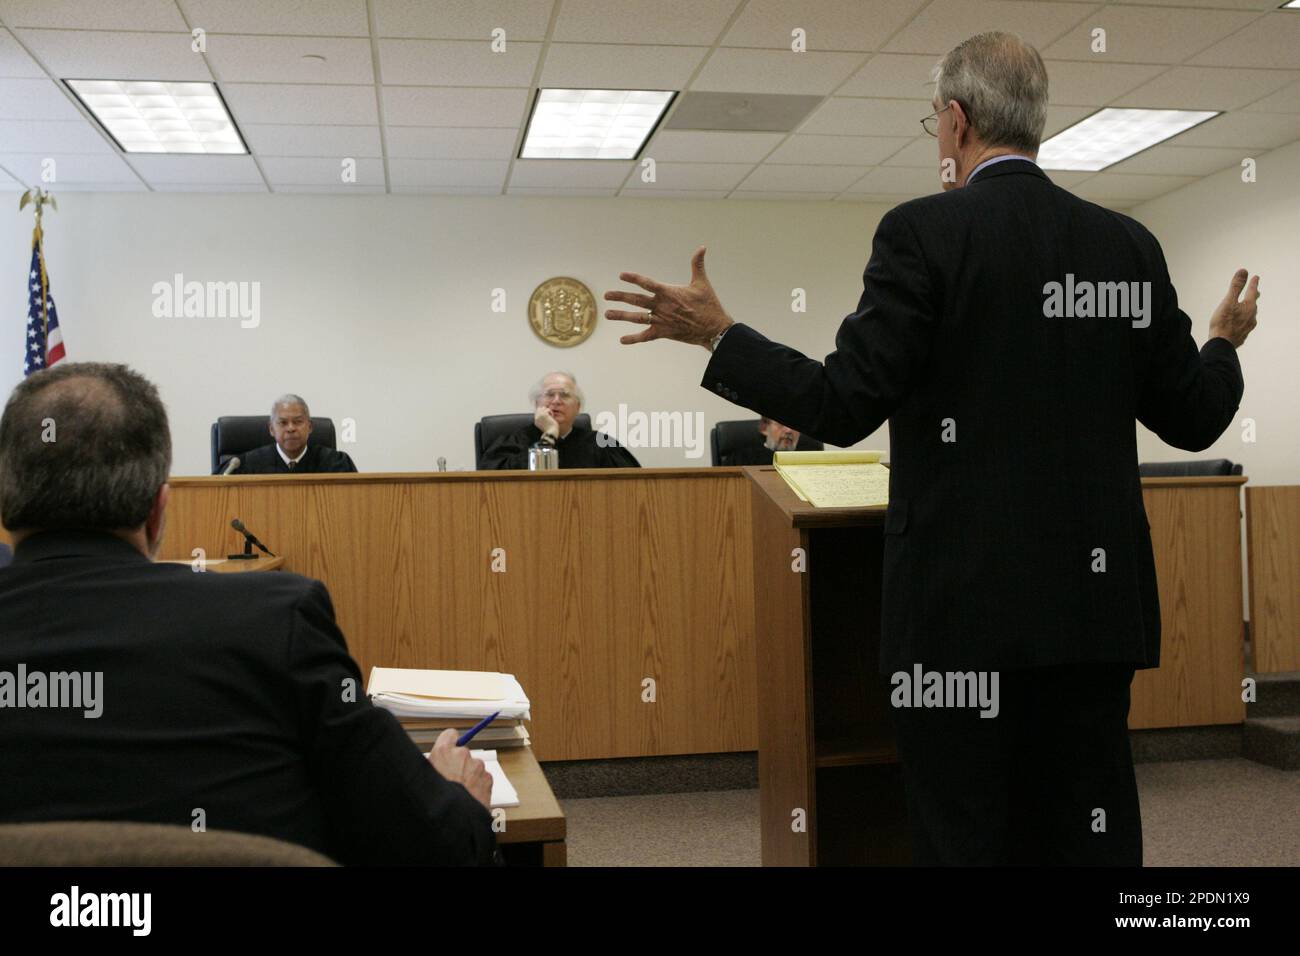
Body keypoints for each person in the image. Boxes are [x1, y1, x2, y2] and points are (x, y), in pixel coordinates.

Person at [604, 31, 1258, 865]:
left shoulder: (924, 233)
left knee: (966, 836)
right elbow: (1196, 419)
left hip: (961, 622)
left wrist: (721, 337)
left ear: (955, 122)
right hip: (1093, 620)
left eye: (931, 126)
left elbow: (843, 404)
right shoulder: (1125, 245)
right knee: (1088, 833)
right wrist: (1224, 342)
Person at [0, 363, 494, 865]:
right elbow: (432, 840)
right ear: (158, 510)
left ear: (5, 500)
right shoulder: (275, 620)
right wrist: (451, 794)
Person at [478, 371, 640, 469]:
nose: (556, 401)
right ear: (536, 404)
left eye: (564, 395)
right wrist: (549, 435)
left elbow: (634, 483)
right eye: (549, 394)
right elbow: (489, 485)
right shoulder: (512, 442)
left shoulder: (601, 443)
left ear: (578, 407)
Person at [235, 394, 357, 474]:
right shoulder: (246, 465)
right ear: (271, 429)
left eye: (297, 422)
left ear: (310, 427)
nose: (291, 428)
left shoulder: (336, 464)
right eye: (283, 423)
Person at [723, 417, 806, 466]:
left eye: (794, 425)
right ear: (764, 428)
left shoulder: (809, 457)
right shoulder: (742, 459)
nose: (789, 430)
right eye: (781, 423)